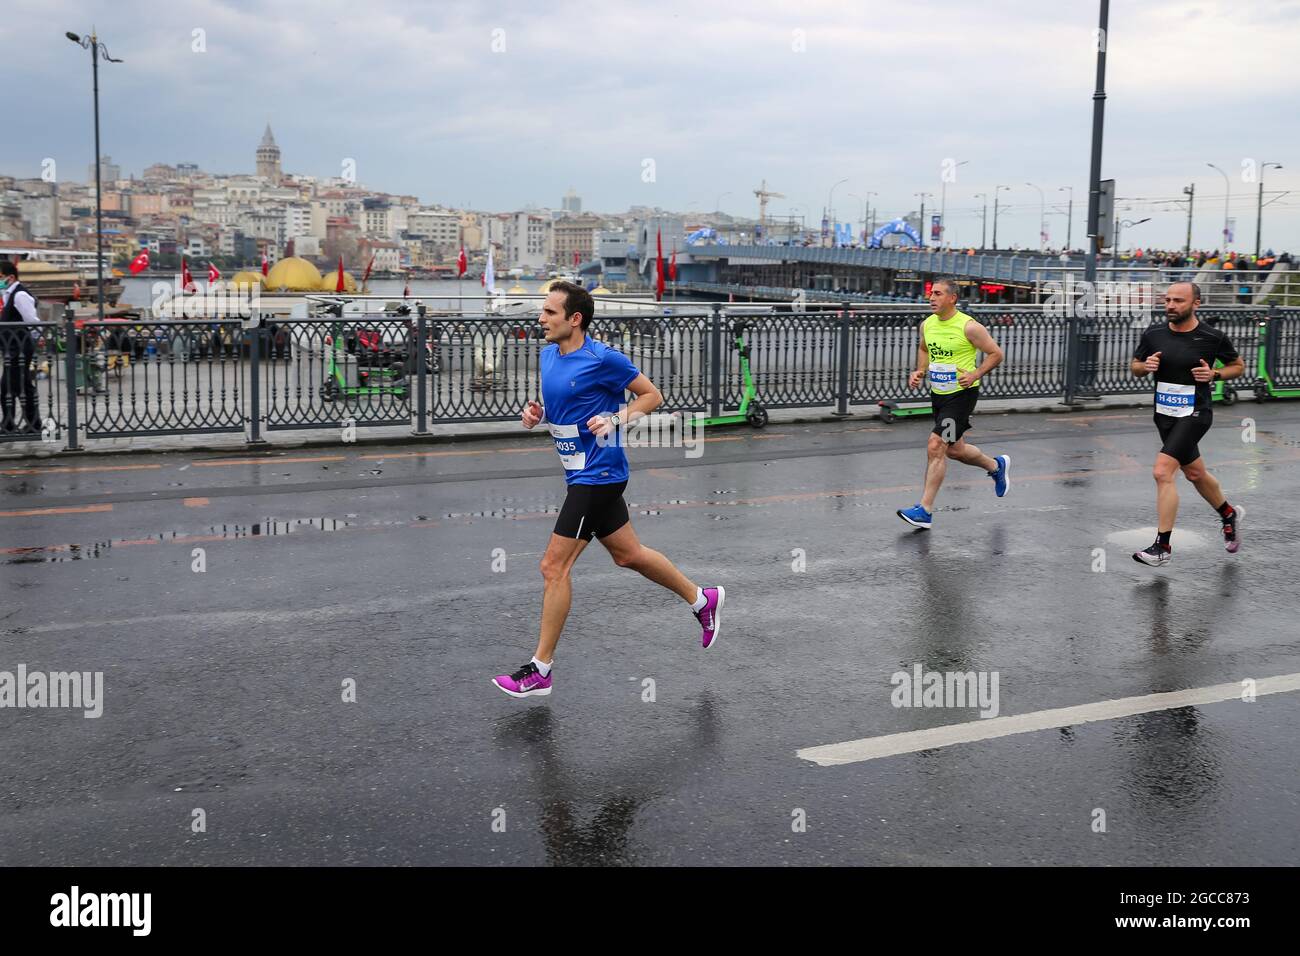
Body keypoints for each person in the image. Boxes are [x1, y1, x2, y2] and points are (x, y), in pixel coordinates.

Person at [491, 281, 723, 699]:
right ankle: (701, 599)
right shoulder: (547, 354)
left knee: (552, 567)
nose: (540, 318)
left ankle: (540, 669)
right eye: (542, 311)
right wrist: (537, 412)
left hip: (598, 474)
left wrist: (616, 419)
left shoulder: (603, 358)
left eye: (549, 312)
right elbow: (561, 404)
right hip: (579, 472)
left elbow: (652, 395)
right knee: (629, 556)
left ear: (574, 319)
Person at [1130, 281, 1246, 566]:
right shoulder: (1154, 333)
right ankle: (1228, 513)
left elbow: (1238, 367)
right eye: (1168, 300)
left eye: (1178, 301)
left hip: (1195, 414)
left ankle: (1162, 547)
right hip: (1164, 415)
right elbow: (1134, 366)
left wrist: (1215, 375)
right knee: (1195, 474)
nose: (1170, 305)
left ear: (1196, 303)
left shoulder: (1211, 336)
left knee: (1162, 472)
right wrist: (1144, 368)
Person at [897, 278, 1010, 529]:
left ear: (952, 298)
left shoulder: (969, 327)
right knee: (955, 450)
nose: (931, 298)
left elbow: (996, 354)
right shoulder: (927, 325)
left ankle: (924, 510)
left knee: (936, 444)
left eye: (937, 294)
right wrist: (920, 370)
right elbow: (925, 348)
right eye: (930, 294)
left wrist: (975, 375)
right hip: (939, 394)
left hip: (961, 396)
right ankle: (996, 466)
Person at [0, 260, 41, 434]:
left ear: (11, 277)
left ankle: (22, 424)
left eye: (0, 277)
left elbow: (34, 322)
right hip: (12, 347)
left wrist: (31, 342)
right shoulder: (7, 294)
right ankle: (27, 423)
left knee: (14, 386)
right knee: (16, 386)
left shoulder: (20, 295)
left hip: (20, 348)